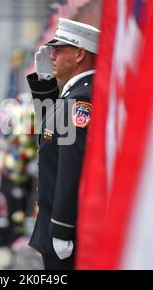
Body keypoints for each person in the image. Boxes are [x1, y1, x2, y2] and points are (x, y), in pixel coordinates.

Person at [25, 18, 100, 269]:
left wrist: (62, 227)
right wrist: (44, 83)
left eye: (59, 50)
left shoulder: (81, 101)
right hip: (57, 225)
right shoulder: (75, 94)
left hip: (66, 230)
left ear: (80, 54)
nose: (52, 55)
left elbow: (71, 168)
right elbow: (51, 126)